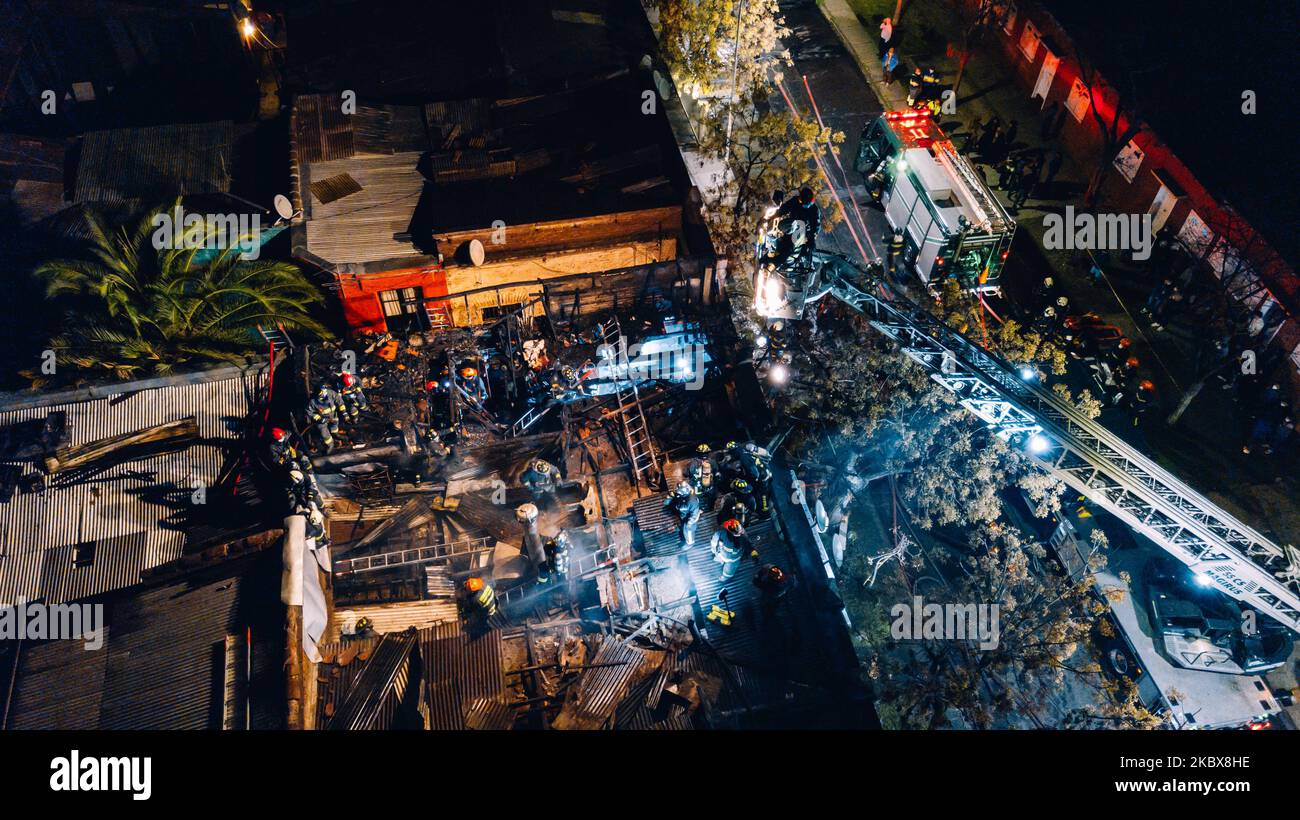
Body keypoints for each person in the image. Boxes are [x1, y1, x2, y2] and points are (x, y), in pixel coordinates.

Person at [664, 480, 701, 550]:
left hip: (689, 520)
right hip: (682, 515)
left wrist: (689, 523)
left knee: (688, 530)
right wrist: (670, 497)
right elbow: (666, 503)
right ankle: (681, 528)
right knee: (682, 526)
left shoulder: (692, 501)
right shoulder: (680, 495)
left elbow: (694, 514)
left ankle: (690, 544)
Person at [305, 385, 343, 452]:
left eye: (325, 391)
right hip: (322, 420)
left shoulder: (331, 393)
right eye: (322, 393)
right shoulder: (313, 402)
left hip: (333, 416)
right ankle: (330, 445)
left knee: (334, 429)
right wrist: (320, 419)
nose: (325, 393)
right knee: (324, 433)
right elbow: (309, 412)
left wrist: (344, 413)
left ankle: (336, 435)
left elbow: (339, 401)